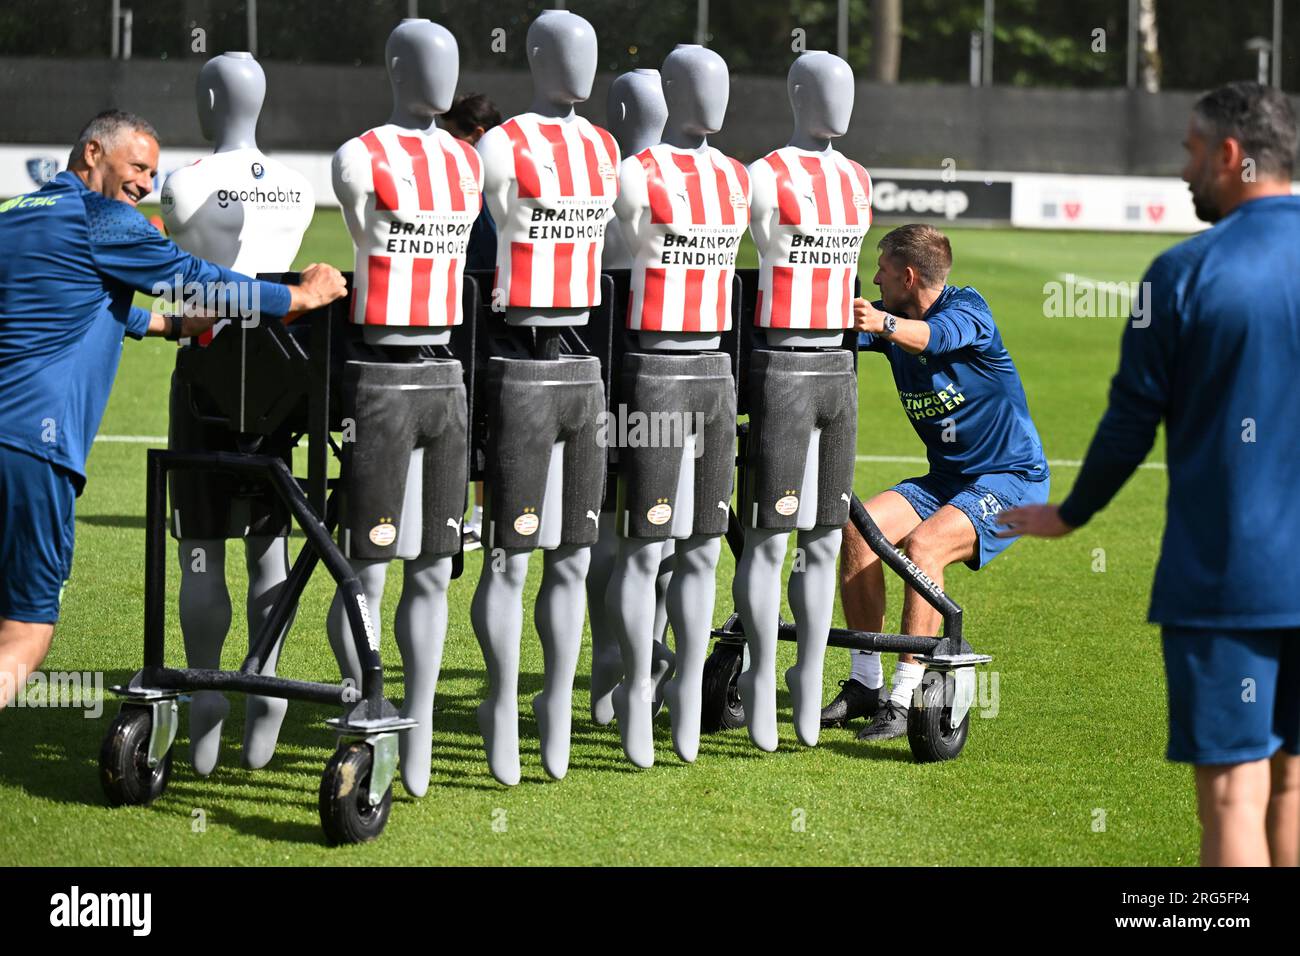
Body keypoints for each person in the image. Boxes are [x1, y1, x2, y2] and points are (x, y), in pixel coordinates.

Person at [1000, 82, 1300, 867]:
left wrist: (1073, 512)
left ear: (1232, 156)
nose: (1183, 169)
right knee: (1295, 784)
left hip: (1227, 575)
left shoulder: (1180, 274)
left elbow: (1132, 419)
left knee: (1236, 796)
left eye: (1192, 151)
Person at [0, 110, 346, 708]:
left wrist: (163, 326)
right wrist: (298, 296)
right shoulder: (104, 220)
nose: (144, 183)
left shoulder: (15, 214)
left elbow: (70, 302)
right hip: (34, 446)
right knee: (25, 630)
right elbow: (197, 279)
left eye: (153, 172)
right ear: (91, 153)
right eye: (137, 166)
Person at [821, 223, 1049, 741]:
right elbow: (837, 332)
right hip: (946, 479)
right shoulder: (893, 318)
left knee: (924, 546)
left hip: (1011, 480)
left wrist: (879, 322)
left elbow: (934, 339)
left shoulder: (967, 311)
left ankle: (905, 694)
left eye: (881, 270)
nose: (874, 278)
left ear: (907, 275)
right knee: (858, 528)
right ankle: (865, 682)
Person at [442, 92, 502, 552]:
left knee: (472, 413)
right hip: (494, 311)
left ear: (476, 136)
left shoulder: (482, 183)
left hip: (476, 310)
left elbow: (480, 253)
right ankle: (476, 515)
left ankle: (469, 515)